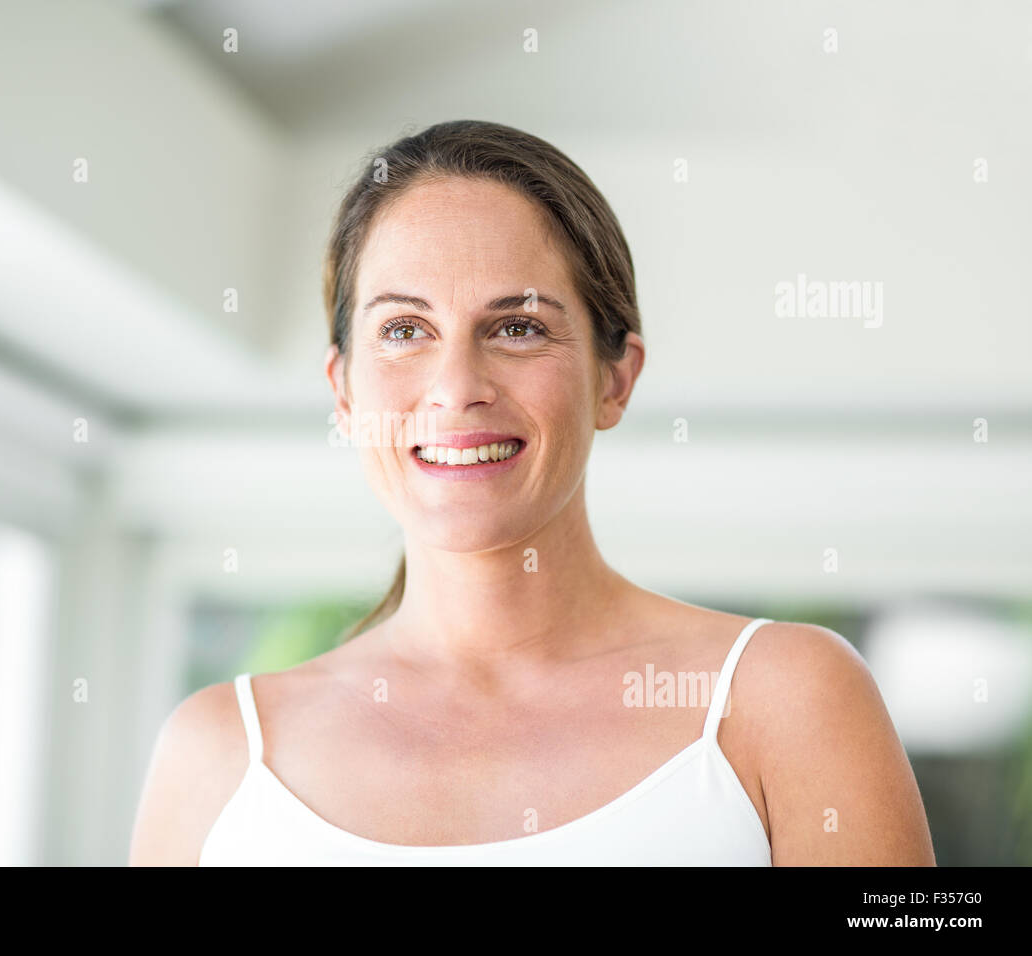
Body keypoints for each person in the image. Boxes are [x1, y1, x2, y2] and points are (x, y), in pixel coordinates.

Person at [129, 120, 935, 865]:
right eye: (404, 330)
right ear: (343, 391)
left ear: (614, 379)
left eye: (517, 326)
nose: (457, 387)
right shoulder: (217, 758)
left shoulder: (783, 699)